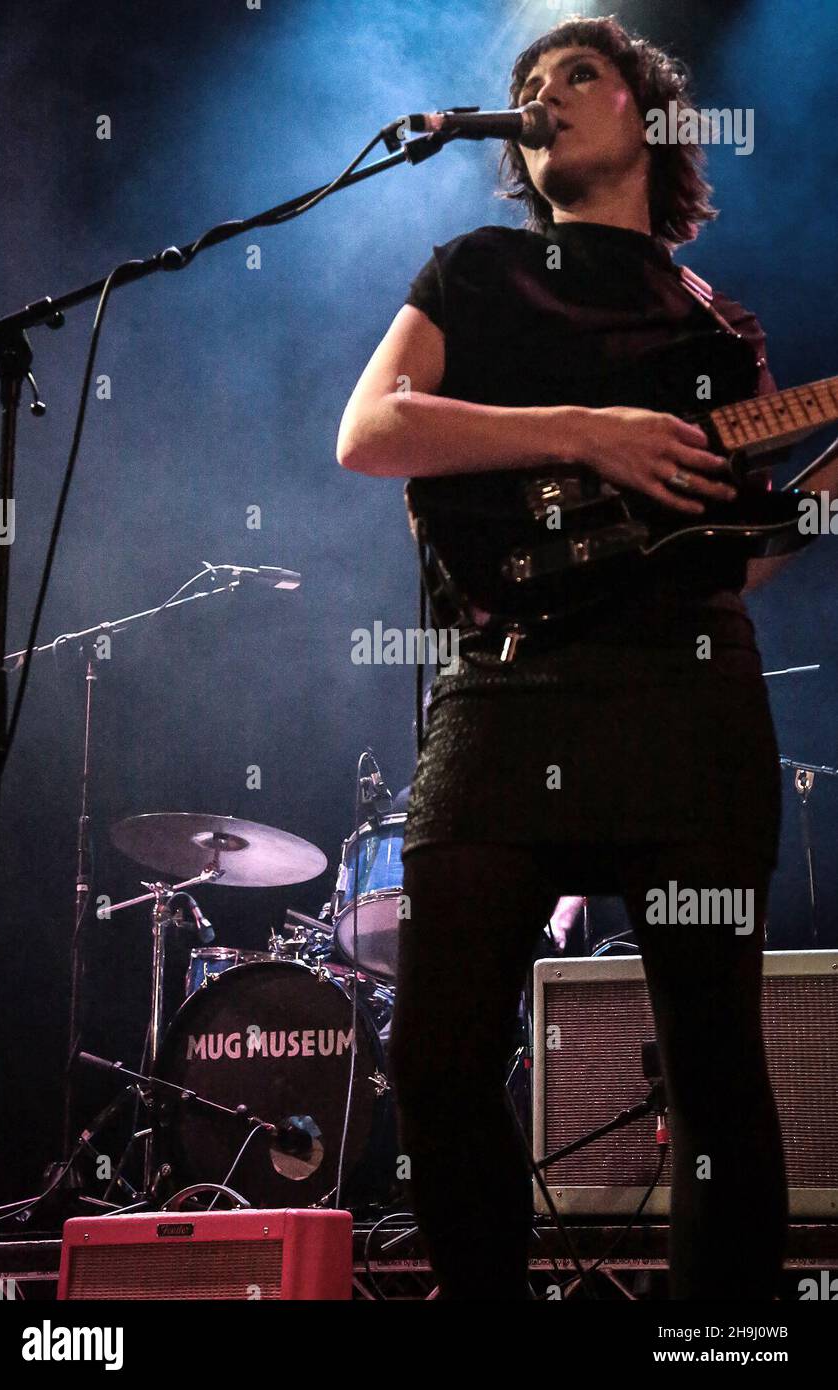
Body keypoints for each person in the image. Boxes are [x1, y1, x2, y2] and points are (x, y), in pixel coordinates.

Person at [337, 16, 829, 1299]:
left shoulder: (718, 323)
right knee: (437, 1059)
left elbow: (735, 557)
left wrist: (824, 495)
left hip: (683, 700)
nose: (541, 94)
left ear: (647, 117)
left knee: (716, 1068)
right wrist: (587, 431)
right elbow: (371, 430)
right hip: (503, 695)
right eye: (526, 83)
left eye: (575, 75)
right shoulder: (474, 270)